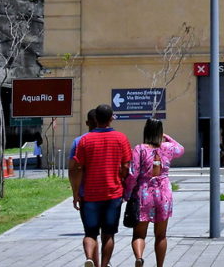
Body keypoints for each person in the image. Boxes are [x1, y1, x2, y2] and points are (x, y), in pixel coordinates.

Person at [70, 104, 132, 267]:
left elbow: (78, 168)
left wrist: (76, 193)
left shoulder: (85, 140)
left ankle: (89, 258)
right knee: (108, 234)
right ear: (111, 118)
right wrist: (121, 178)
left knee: (90, 233)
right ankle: (104, 265)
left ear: (96, 119)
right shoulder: (121, 138)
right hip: (113, 193)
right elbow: (126, 166)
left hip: (90, 194)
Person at [125, 119, 185, 267]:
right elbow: (181, 149)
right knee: (161, 235)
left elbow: (133, 174)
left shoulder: (139, 149)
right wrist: (167, 137)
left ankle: (139, 257)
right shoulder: (168, 148)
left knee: (139, 234)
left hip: (143, 193)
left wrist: (127, 193)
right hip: (163, 194)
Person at [69, 110, 99, 201]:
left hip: (85, 193)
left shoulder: (78, 141)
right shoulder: (113, 139)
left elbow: (73, 169)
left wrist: (75, 192)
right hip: (109, 193)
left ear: (87, 123)